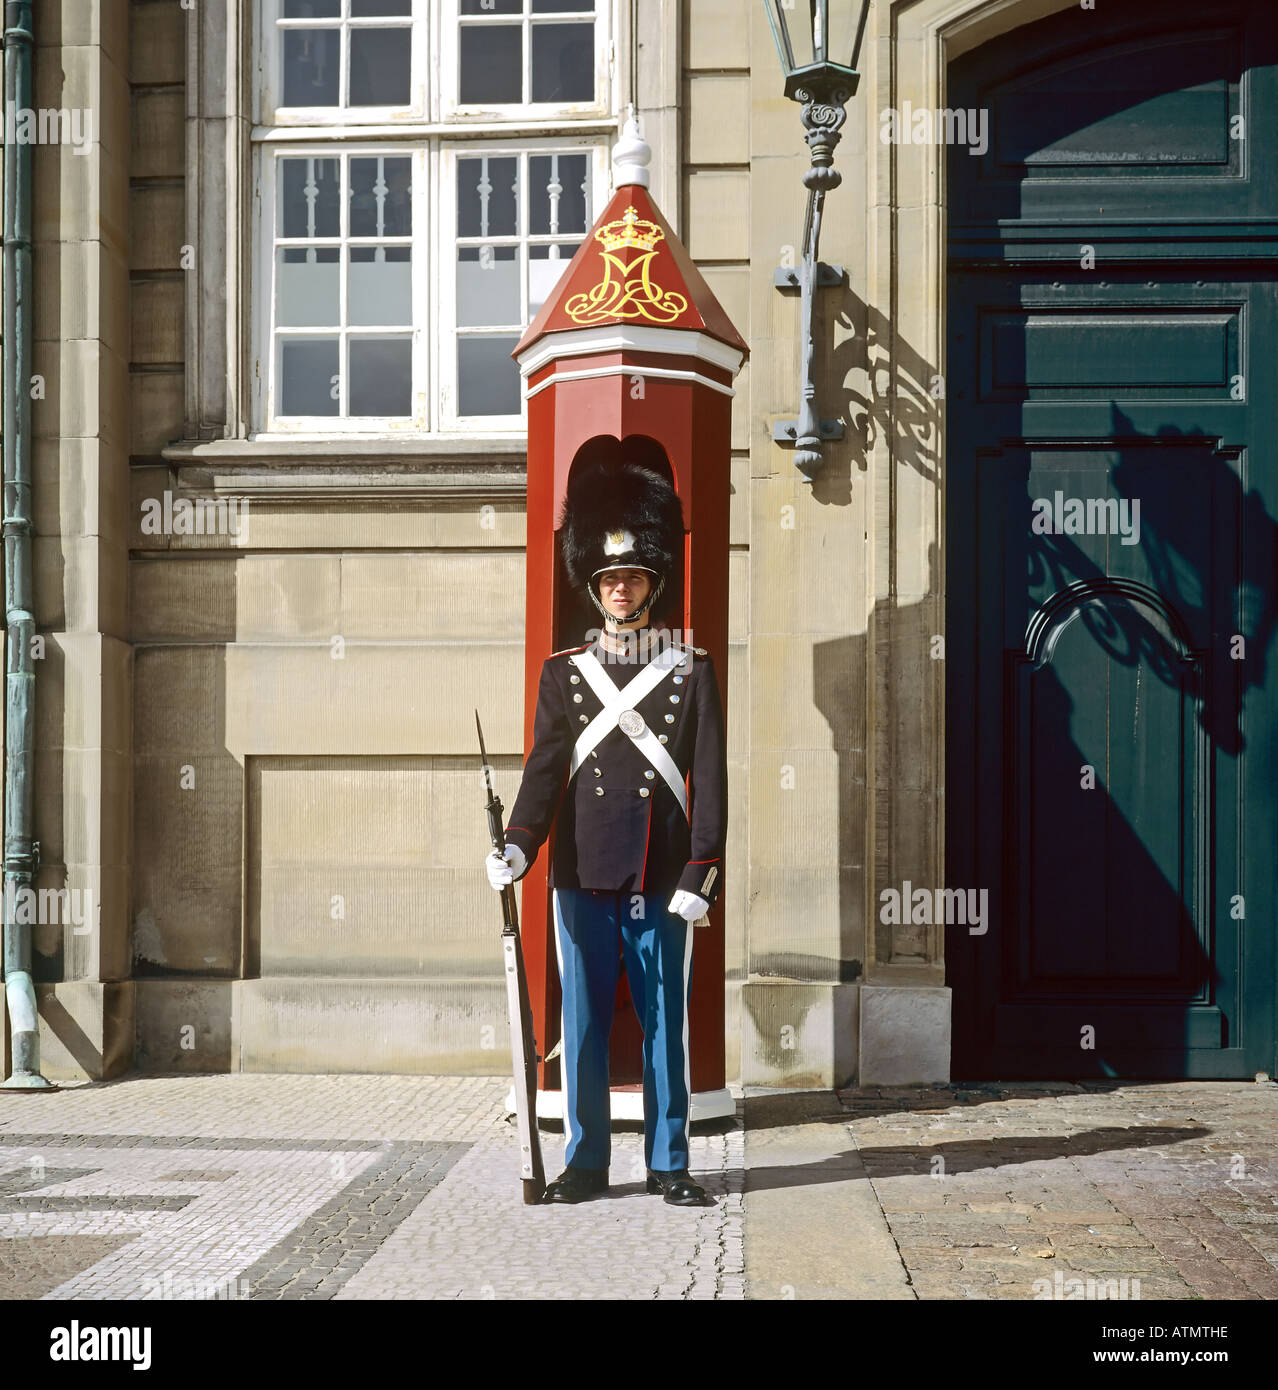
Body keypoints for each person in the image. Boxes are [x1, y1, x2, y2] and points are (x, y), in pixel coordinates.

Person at [484, 458, 727, 1206]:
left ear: (651, 582)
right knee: (584, 1025)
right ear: (593, 587)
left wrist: (703, 873)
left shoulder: (690, 668)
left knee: (664, 1022)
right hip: (582, 869)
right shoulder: (565, 674)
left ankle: (669, 1161)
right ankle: (586, 1164)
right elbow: (545, 769)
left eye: (633, 575)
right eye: (609, 577)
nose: (621, 587)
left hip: (659, 871)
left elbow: (711, 776)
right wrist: (520, 844)